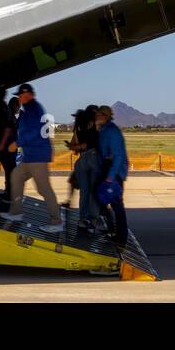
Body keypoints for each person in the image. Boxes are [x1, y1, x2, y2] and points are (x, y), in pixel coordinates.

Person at [0, 83, 63, 233]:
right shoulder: (26, 110)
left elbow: (34, 130)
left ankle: (57, 221)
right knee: (16, 177)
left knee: (43, 189)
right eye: (19, 96)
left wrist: (17, 143)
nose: (19, 98)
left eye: (21, 95)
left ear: (30, 95)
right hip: (30, 156)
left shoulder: (34, 108)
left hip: (38, 156)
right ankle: (16, 212)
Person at [96, 105, 129, 245]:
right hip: (109, 169)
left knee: (117, 206)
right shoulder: (104, 129)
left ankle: (121, 237)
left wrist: (111, 176)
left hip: (114, 172)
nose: (99, 116)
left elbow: (119, 155)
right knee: (102, 201)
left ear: (108, 116)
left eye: (102, 114)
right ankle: (111, 229)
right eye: (98, 114)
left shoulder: (112, 131)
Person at [68, 105, 102, 231]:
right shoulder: (95, 124)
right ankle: (93, 220)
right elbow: (94, 142)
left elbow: (74, 147)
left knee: (84, 192)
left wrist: (75, 147)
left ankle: (82, 219)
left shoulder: (78, 127)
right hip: (94, 157)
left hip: (82, 160)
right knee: (94, 191)